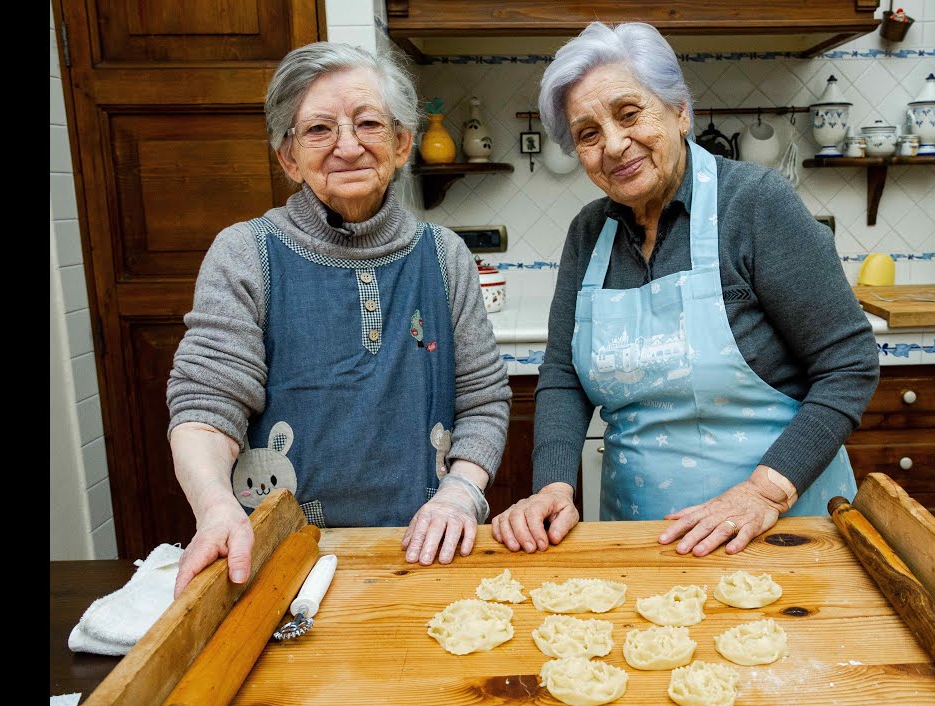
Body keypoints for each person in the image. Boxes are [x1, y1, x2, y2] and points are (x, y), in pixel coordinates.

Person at [491, 22, 878, 559]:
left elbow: (849, 364)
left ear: (679, 110)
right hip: (644, 533)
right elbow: (562, 376)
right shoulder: (589, 232)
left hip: (779, 526)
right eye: (588, 133)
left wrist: (763, 494)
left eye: (629, 114)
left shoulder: (755, 204)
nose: (614, 145)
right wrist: (554, 484)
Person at [166, 41, 511, 597]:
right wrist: (214, 509)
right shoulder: (244, 253)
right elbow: (207, 405)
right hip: (279, 559)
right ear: (288, 157)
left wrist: (459, 494)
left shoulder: (445, 256)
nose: (347, 147)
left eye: (368, 123)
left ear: (401, 145)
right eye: (319, 130)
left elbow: (483, 400)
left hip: (421, 551)